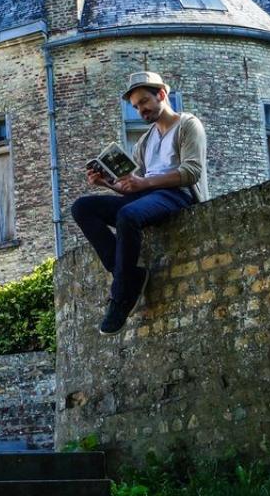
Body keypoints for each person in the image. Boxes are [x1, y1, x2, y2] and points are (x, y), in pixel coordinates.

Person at [68, 71, 208, 335]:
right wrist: (106, 184)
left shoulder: (188, 125)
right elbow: (132, 187)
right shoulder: (144, 143)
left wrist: (144, 184)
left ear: (162, 95)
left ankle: (121, 296)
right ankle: (129, 275)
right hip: (148, 197)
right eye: (136, 107)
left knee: (128, 216)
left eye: (144, 102)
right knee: (82, 208)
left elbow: (192, 172)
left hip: (178, 194)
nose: (141, 110)